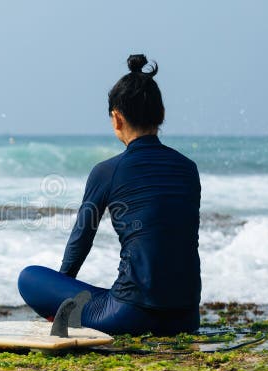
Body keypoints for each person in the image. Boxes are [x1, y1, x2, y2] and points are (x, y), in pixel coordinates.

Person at [18, 54, 201, 336]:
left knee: (29, 277)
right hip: (186, 318)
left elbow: (80, 241)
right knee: (119, 290)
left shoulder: (107, 171)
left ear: (117, 119)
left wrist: (60, 293)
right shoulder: (188, 169)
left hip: (130, 317)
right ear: (161, 115)